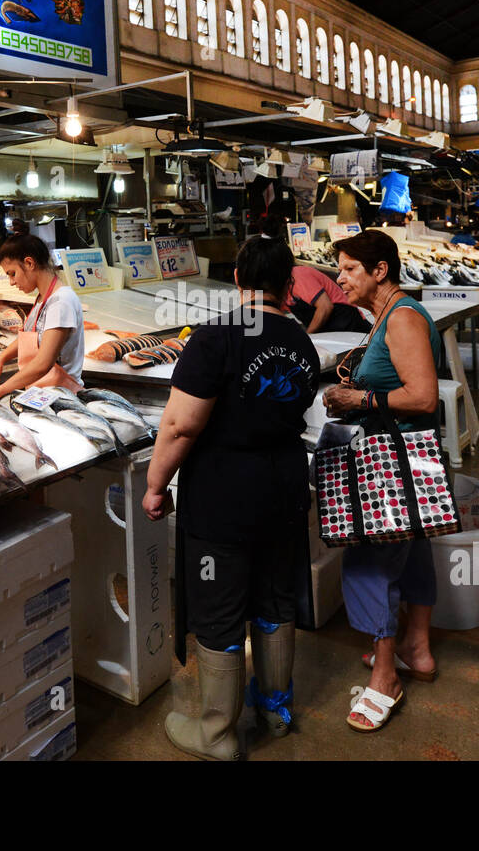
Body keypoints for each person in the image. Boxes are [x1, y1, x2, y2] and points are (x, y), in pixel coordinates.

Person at [142, 236, 320, 760]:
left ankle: (218, 733)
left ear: (238, 280)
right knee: (274, 594)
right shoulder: (301, 340)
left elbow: (179, 426)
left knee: (219, 604)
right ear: (289, 286)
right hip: (285, 487)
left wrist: (155, 486)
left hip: (225, 495)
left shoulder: (215, 338)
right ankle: (274, 709)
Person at [321, 230, 445, 733]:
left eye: (349, 268)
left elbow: (423, 398)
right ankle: (418, 650)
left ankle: (386, 677)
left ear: (380, 271)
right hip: (408, 453)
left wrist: (359, 401)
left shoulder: (405, 318)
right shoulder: (387, 316)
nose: (339, 278)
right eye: (339, 268)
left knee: (369, 560)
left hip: (396, 455)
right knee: (411, 550)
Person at [0, 234, 85, 397]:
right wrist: (1, 358)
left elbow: (43, 363)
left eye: (12, 273)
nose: (11, 282)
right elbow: (29, 338)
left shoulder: (61, 302)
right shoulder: (42, 298)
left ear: (29, 263)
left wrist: (1, 389)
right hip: (42, 392)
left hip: (61, 395)